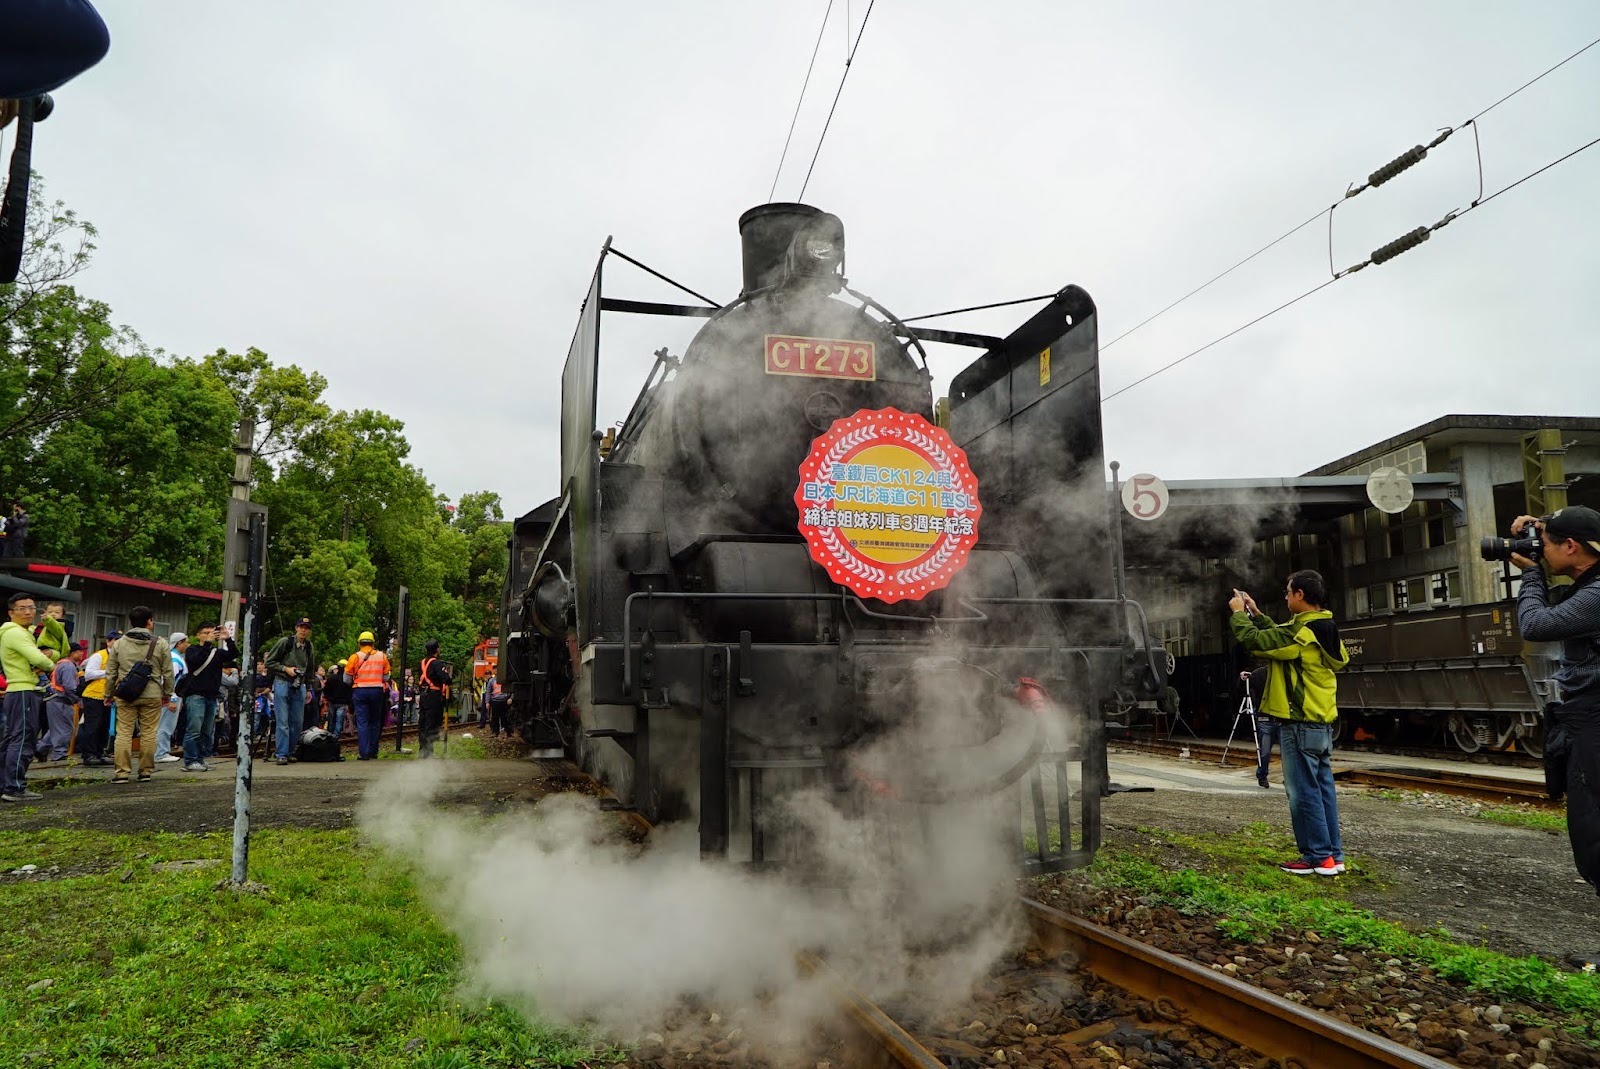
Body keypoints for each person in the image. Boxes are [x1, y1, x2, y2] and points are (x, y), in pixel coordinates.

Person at [1509, 507, 1600, 962]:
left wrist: (1530, 577)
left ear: (1572, 548)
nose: (1539, 552)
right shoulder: (1589, 582)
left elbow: (1536, 625)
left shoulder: (1599, 593)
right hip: (1586, 719)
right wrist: (1537, 524)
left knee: (1595, 835)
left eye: (1547, 544)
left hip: (1597, 723)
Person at [1229, 570, 1350, 877]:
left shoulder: (1300, 634)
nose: (1285, 597)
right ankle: (1332, 856)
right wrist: (1256, 613)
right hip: (1320, 723)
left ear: (1299, 595)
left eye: (1287, 592)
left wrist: (1239, 615)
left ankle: (1315, 857)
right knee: (1323, 791)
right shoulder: (1325, 627)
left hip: (1298, 723)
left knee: (1302, 793)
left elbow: (1259, 643)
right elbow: (1280, 636)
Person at [104, 605, 174, 784]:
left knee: (124, 733)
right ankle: (145, 771)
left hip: (126, 694)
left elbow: (111, 672)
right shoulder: (160, 643)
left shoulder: (119, 643)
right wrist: (167, 693)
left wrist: (108, 694)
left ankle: (122, 772)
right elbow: (168, 672)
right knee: (149, 732)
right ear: (149, 622)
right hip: (152, 693)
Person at [1, 592, 59, 801]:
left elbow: (55, 649)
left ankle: (6, 784)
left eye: (31, 608)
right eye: (21, 609)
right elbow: (38, 657)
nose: (28, 612)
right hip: (23, 690)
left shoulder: (29, 631)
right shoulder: (15, 632)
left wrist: (52, 655)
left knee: (12, 739)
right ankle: (14, 787)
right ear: (11, 613)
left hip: (20, 691)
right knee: (23, 738)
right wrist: (51, 665)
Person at [181, 623, 236, 773]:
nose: (209, 635)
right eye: (205, 633)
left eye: (212, 633)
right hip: (196, 695)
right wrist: (207, 643)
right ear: (198, 635)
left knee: (207, 731)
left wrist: (227, 639)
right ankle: (190, 760)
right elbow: (196, 661)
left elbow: (233, 654)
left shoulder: (217, 653)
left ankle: (200, 759)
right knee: (194, 729)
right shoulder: (192, 650)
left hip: (212, 696)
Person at [264, 617, 315, 766]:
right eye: (301, 627)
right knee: (283, 721)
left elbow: (310, 669)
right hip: (282, 682)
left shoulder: (309, 646)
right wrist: (285, 668)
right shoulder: (285, 642)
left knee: (297, 722)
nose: (303, 630)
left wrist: (309, 688)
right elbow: (269, 662)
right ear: (296, 628)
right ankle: (281, 753)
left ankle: (290, 751)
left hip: (299, 685)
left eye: (306, 628)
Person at [344, 631, 391, 761]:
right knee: (375, 721)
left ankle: (363, 753)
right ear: (373, 643)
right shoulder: (382, 656)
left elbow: (346, 679)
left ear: (359, 643)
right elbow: (387, 677)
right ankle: (373, 751)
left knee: (362, 722)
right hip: (377, 691)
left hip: (360, 691)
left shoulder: (354, 657)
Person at [38, 640, 85, 762]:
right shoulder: (68, 666)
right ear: (73, 653)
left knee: (55, 728)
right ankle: (59, 754)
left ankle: (40, 748)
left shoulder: (62, 664)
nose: (82, 654)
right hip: (61, 700)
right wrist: (78, 700)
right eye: (80, 651)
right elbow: (70, 687)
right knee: (65, 728)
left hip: (55, 700)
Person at [75, 630, 117, 766]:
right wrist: (109, 673)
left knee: (104, 726)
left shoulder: (118, 657)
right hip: (93, 695)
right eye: (116, 640)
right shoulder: (99, 656)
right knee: (92, 726)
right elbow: (89, 673)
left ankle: (99, 753)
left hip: (108, 696)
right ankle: (89, 754)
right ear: (109, 641)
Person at [155, 632, 188, 763]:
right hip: (171, 698)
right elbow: (171, 681)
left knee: (165, 724)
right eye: (186, 642)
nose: (187, 644)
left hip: (172, 697)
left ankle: (161, 751)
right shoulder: (174, 658)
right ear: (179, 643)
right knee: (165, 725)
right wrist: (173, 699)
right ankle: (161, 753)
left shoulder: (173, 656)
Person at [416, 641, 452, 758]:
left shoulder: (422, 663)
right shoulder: (437, 663)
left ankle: (422, 749)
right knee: (432, 723)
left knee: (423, 722)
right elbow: (446, 679)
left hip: (423, 695)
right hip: (433, 696)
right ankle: (428, 752)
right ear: (437, 650)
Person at [1243, 667, 1275, 789]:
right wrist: (1243, 680)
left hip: (1280, 718)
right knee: (1265, 752)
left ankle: (1288, 778)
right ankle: (1262, 775)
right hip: (1266, 717)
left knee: (1287, 752)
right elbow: (1243, 689)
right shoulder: (1259, 674)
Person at [322, 662, 351, 740]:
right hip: (342, 702)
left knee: (331, 718)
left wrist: (328, 698)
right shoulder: (346, 679)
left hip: (332, 701)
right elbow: (349, 691)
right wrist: (348, 701)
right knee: (339, 719)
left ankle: (329, 734)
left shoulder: (331, 678)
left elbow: (326, 689)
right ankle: (336, 736)